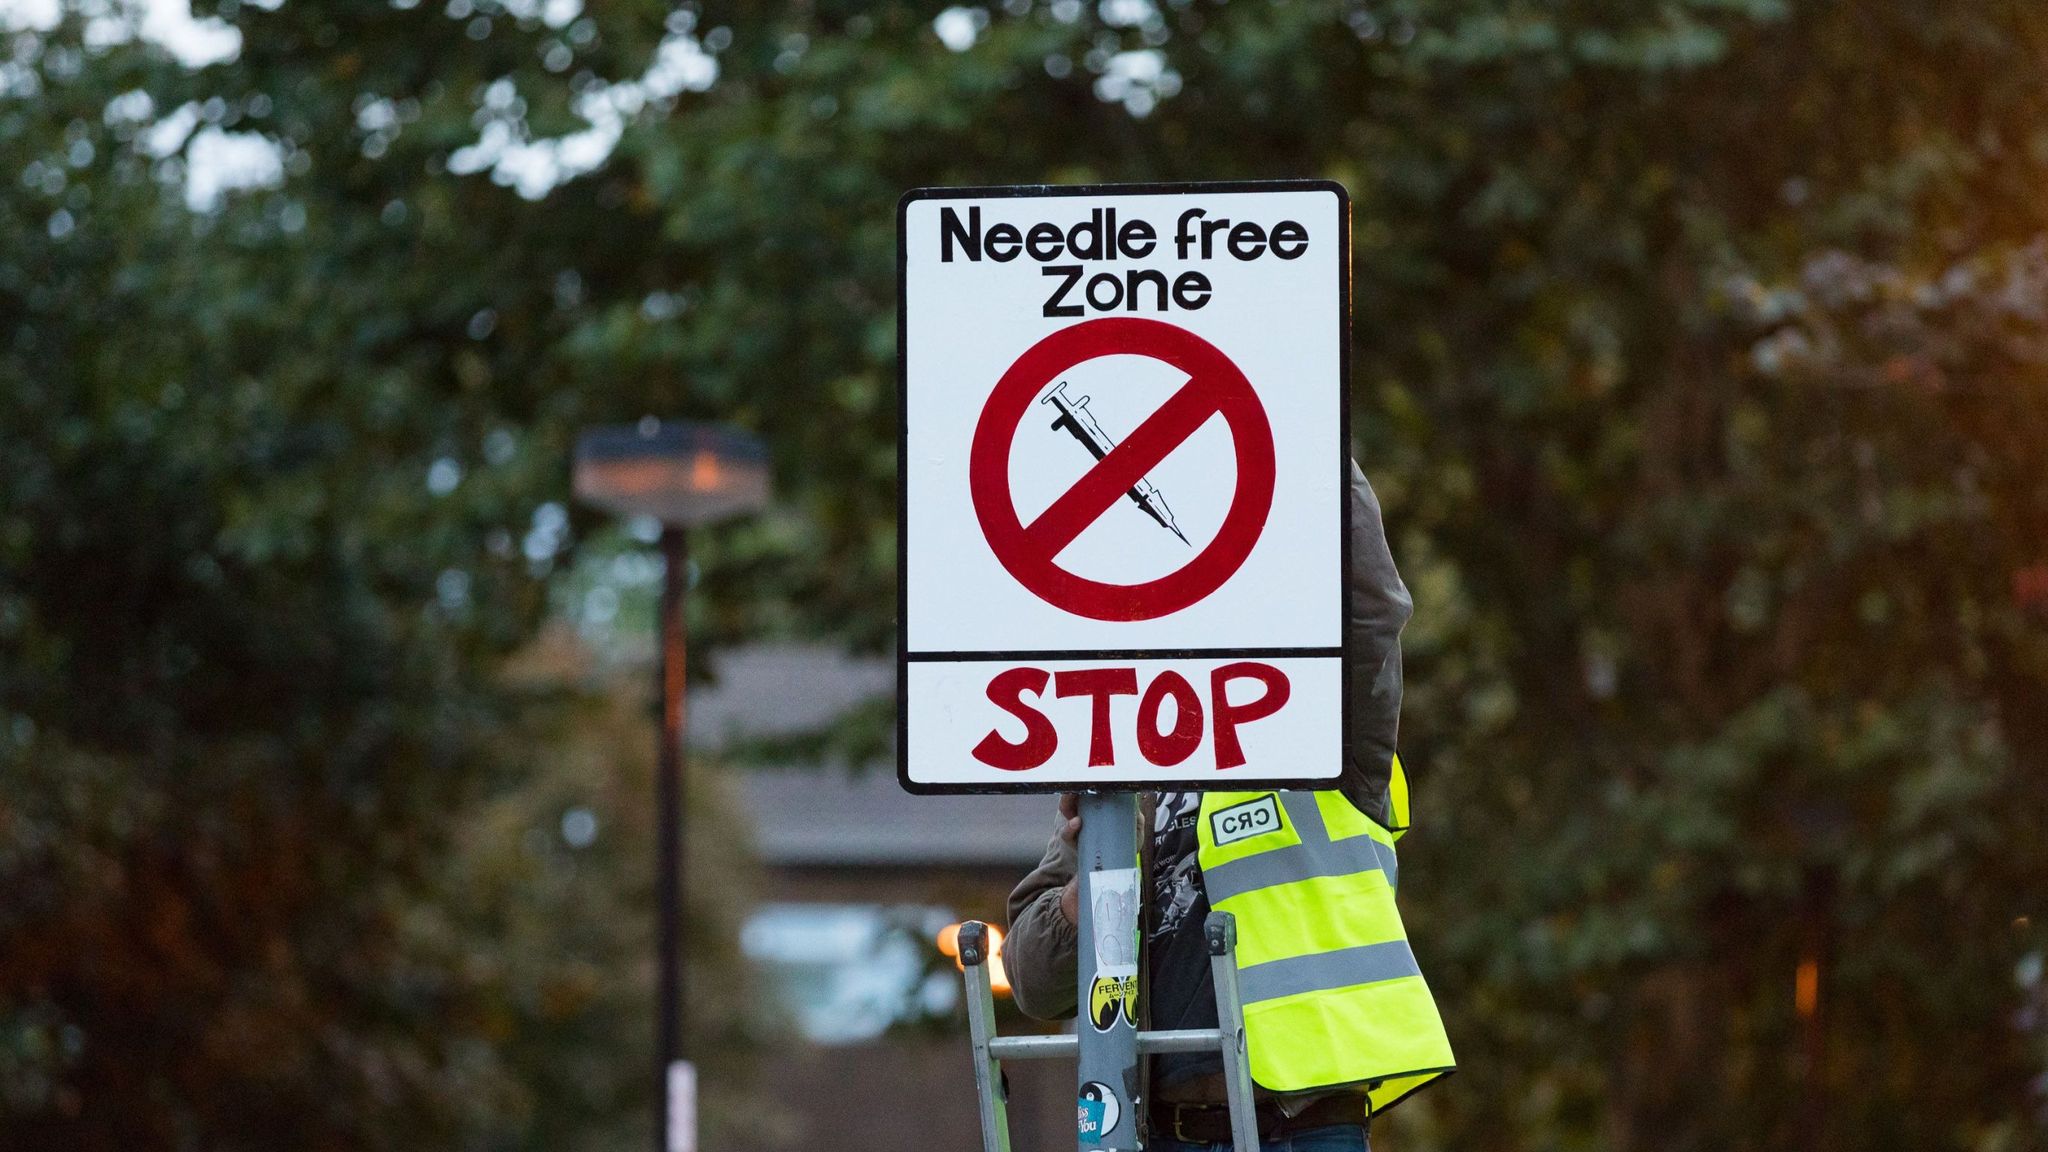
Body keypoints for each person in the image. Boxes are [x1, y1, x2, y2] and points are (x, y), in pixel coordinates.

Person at [1004, 462, 1455, 1152]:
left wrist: (1310, 426)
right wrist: (1093, 884)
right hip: (1166, 1133)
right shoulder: (1121, 780)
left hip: (1304, 1130)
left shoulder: (1322, 742)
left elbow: (1372, 608)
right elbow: (1033, 980)